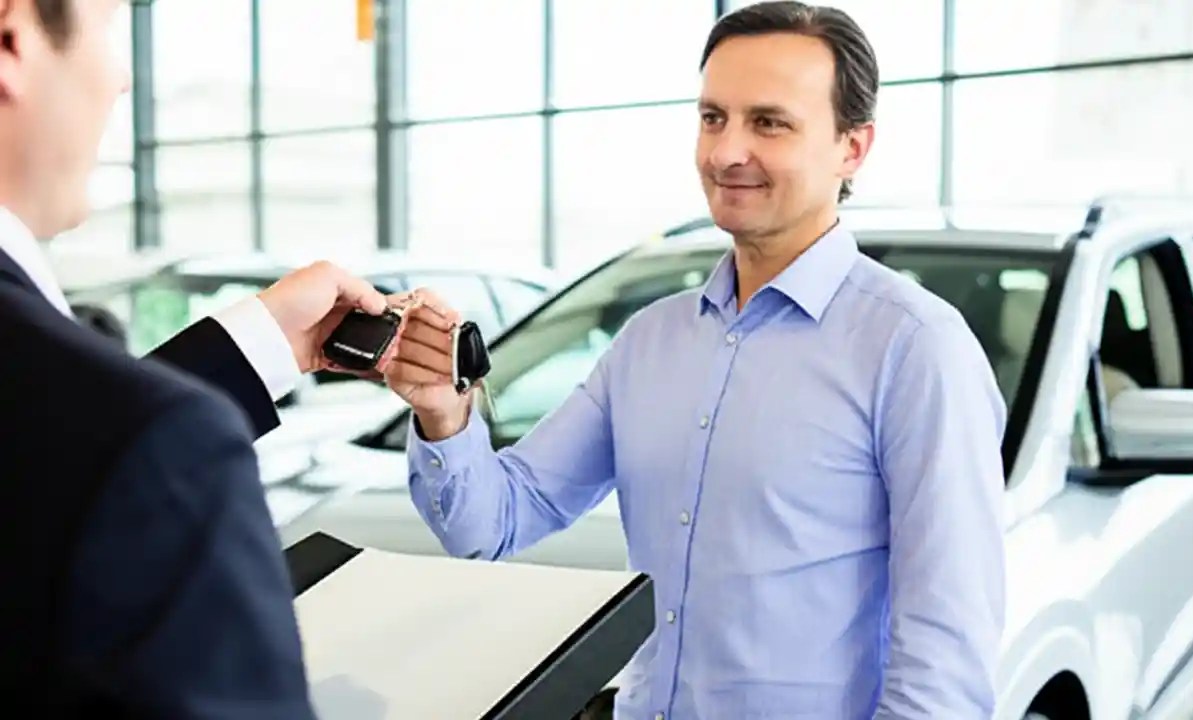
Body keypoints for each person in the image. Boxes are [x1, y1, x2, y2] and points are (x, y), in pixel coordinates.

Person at [386, 2, 1006, 718]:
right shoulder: (651, 340)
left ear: (852, 148)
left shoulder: (916, 348)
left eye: (768, 123)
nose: (725, 152)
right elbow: (494, 523)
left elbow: (946, 655)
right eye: (714, 117)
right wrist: (443, 414)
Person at [0, 1, 386, 716]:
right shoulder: (154, 447)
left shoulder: (114, 435)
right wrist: (168, 432)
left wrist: (257, 345)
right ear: (12, 38)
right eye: (107, 26)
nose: (119, 79)